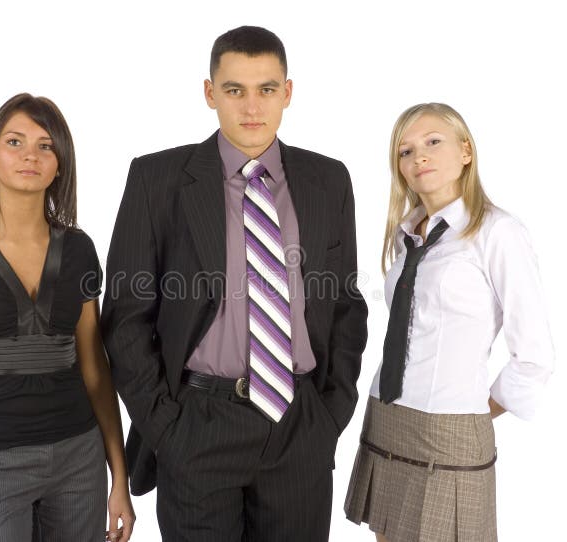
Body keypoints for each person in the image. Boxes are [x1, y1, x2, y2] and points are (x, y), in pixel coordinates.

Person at [101, 26, 368, 542]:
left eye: (267, 89)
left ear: (287, 93)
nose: (252, 106)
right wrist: (168, 430)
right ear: (209, 93)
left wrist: (328, 417)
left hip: (298, 426)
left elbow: (346, 308)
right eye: (234, 90)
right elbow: (126, 319)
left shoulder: (328, 180)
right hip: (197, 426)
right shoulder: (157, 180)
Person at [0, 93, 135, 542]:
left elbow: (95, 369)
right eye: (15, 142)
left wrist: (120, 479)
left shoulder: (79, 249)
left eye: (45, 145)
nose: (30, 155)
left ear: (60, 165)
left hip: (77, 458)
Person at [344, 103, 555, 541]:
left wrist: (478, 409)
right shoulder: (408, 236)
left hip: (449, 430)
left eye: (432, 142)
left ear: (465, 151)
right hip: (386, 415)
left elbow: (533, 354)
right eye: (405, 151)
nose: (418, 157)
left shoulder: (498, 232)